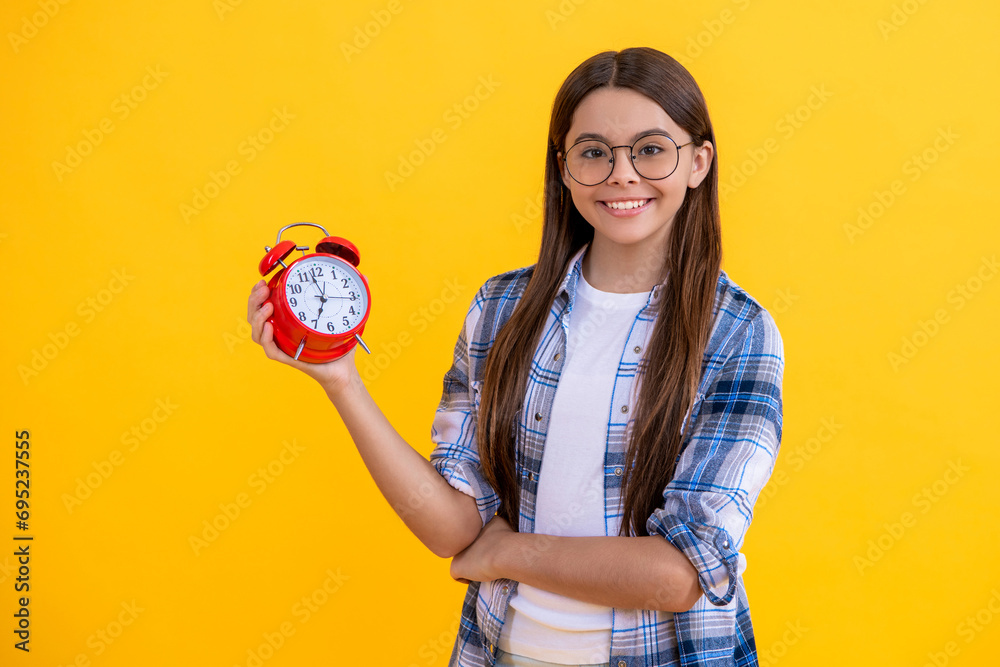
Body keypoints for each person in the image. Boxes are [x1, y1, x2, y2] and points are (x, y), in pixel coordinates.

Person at [247, 47, 783, 667]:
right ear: (563, 168)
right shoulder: (501, 309)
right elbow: (452, 527)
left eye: (651, 149)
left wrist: (506, 553)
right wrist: (341, 381)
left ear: (698, 161)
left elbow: (678, 574)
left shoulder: (739, 330)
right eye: (593, 152)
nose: (622, 174)